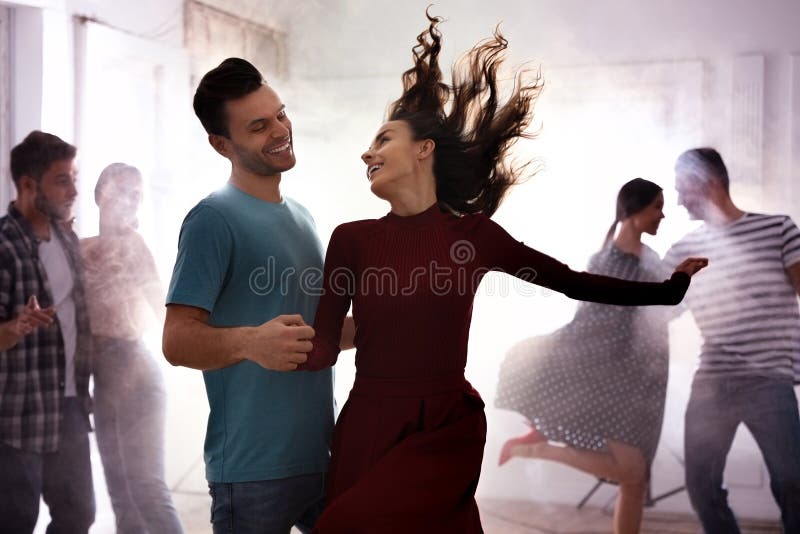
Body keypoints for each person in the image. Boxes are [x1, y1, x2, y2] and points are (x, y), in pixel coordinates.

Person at [296, 13, 707, 533]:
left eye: (382, 139)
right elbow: (322, 350)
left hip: (443, 428)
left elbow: (571, 281)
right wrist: (247, 342)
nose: (367, 152)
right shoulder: (349, 239)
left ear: (424, 150)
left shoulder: (474, 236)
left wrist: (670, 291)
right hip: (366, 429)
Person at [162, 58, 354, 534]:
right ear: (221, 144)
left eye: (281, 114)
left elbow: (314, 333)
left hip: (322, 459)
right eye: (259, 126)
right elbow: (176, 340)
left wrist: (395, 322)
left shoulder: (304, 218)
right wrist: (250, 343)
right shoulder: (212, 220)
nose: (280, 130)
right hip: (251, 475)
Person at [495, 178, 676, 534]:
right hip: (616, 382)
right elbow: (591, 323)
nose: (662, 215)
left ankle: (535, 443)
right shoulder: (606, 261)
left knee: (635, 483)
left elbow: (660, 313)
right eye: (657, 206)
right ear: (634, 210)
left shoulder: (650, 259)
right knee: (632, 473)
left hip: (647, 379)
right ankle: (534, 450)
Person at [662, 147, 800, 533]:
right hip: (713, 381)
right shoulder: (685, 250)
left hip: (769, 380)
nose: (677, 200)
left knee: (793, 482)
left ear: (706, 182)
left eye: (681, 189)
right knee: (701, 486)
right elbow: (655, 308)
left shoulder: (778, 230)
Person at [0, 131, 94, 533]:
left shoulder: (67, 239)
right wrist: (14, 327)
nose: (74, 189)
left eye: (74, 177)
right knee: (16, 521)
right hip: (17, 415)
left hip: (70, 404)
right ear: (27, 185)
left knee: (77, 515)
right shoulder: (3, 246)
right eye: (62, 180)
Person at [81, 163, 183, 533]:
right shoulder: (78, 250)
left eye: (136, 194)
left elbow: (166, 311)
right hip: (103, 382)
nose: (128, 200)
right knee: (122, 496)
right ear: (99, 194)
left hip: (137, 375)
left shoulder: (134, 247)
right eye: (120, 189)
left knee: (147, 489)